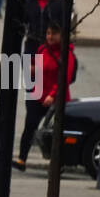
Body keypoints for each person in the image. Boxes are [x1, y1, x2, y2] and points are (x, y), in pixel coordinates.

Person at [14, 22, 77, 169]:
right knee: (30, 126)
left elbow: (65, 77)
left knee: (56, 130)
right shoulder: (43, 49)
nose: (50, 37)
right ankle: (21, 159)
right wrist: (30, 70)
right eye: (48, 33)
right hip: (38, 95)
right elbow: (37, 69)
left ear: (62, 36)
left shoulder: (66, 53)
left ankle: (58, 162)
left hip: (56, 98)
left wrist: (53, 95)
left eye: (54, 34)